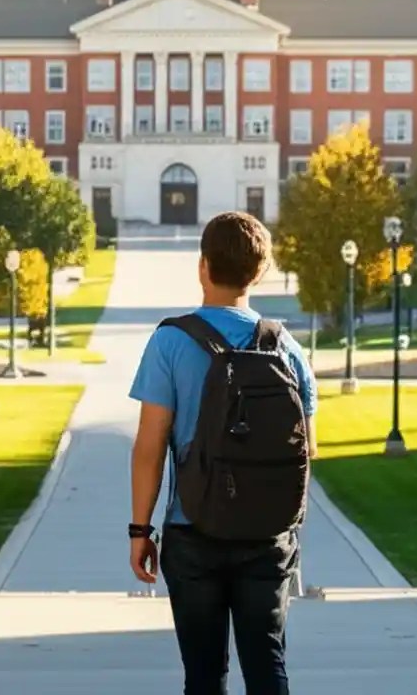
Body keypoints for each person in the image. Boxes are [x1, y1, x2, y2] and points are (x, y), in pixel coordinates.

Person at [128, 211, 318, 695]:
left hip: (194, 532)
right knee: (268, 668)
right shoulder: (287, 349)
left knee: (204, 676)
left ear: (202, 267)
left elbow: (149, 448)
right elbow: (306, 449)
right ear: (261, 271)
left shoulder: (170, 342)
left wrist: (140, 530)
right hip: (268, 536)